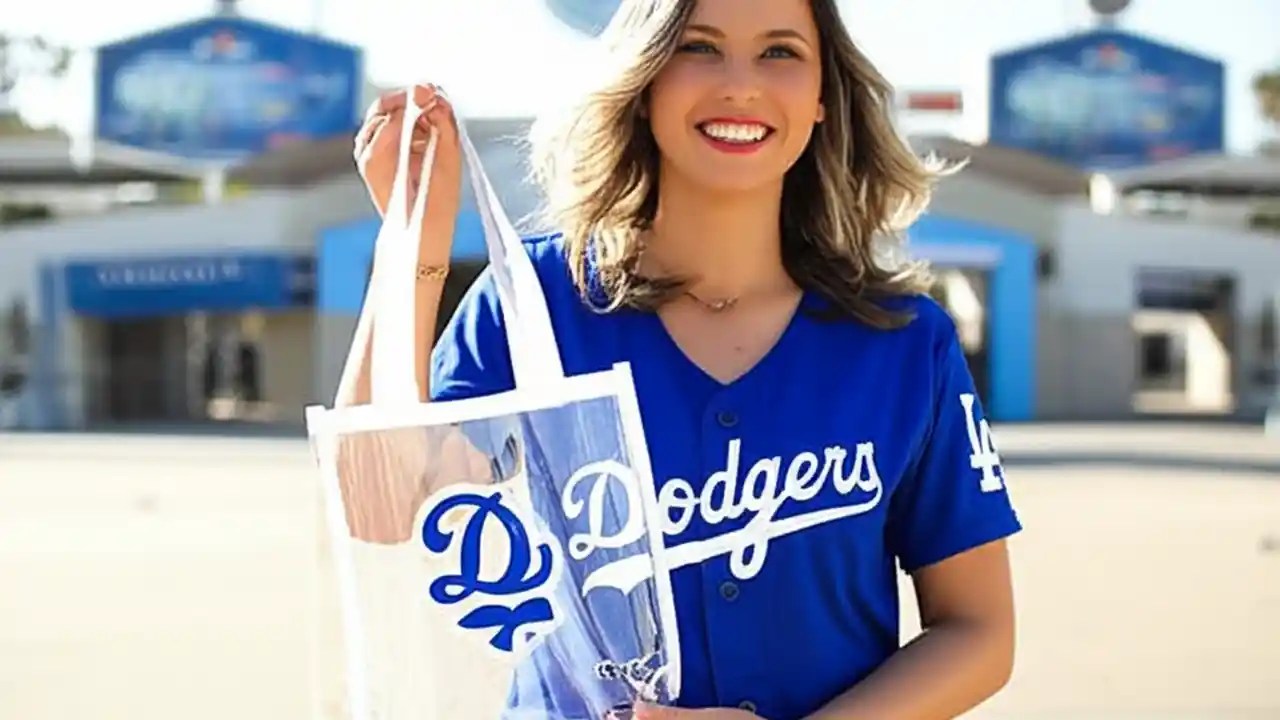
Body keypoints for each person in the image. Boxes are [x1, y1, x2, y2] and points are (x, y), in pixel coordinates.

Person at [345, 0, 1022, 718]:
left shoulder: (903, 343)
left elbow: (979, 631)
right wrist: (410, 246)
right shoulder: (533, 307)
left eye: (780, 52)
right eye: (698, 48)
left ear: (824, 97)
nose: (739, 83)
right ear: (645, 83)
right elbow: (378, 506)